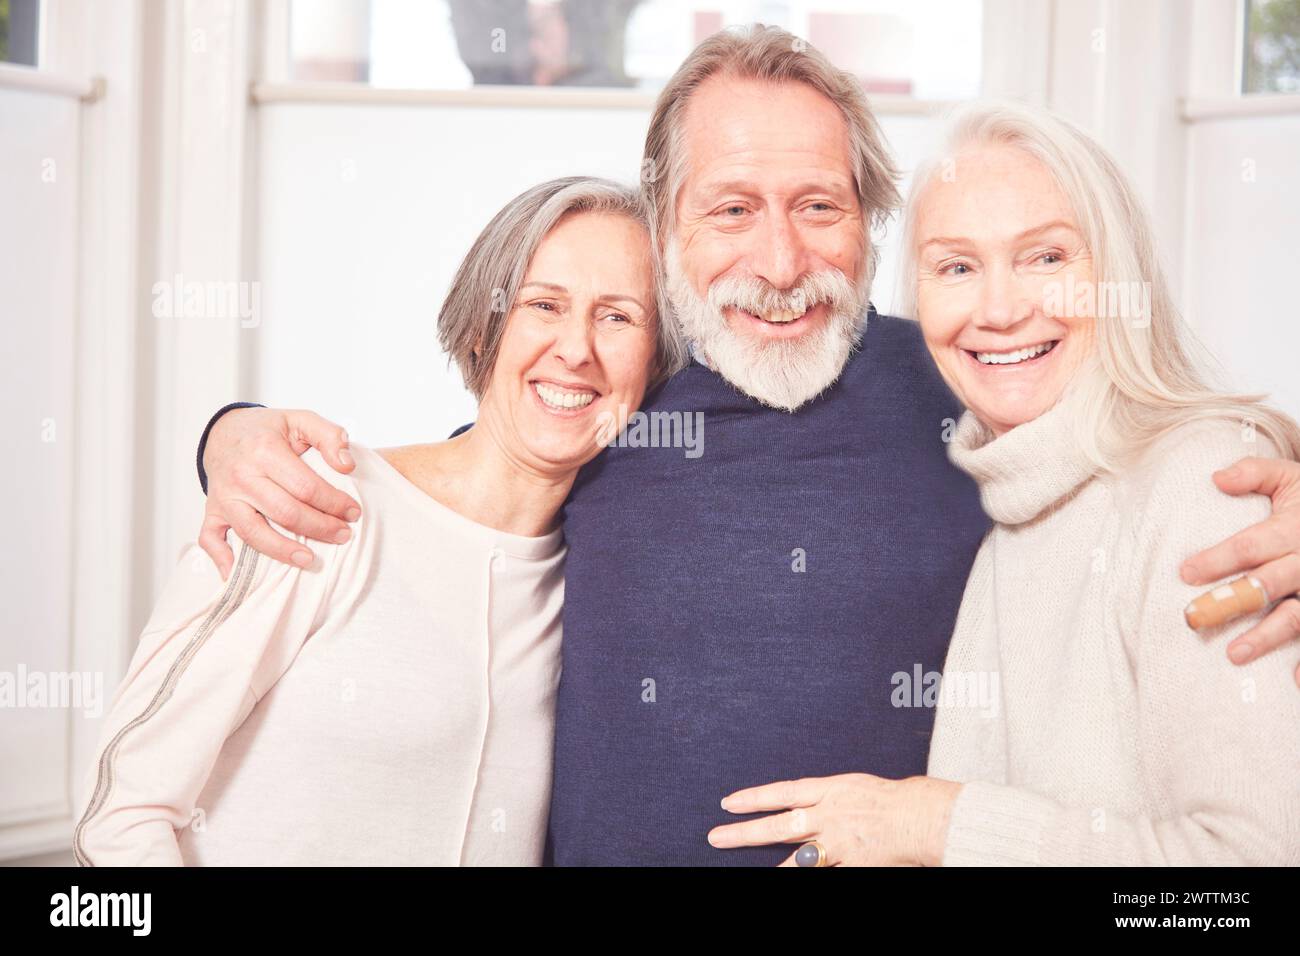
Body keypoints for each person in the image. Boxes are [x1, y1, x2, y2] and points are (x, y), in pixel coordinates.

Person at [192, 26, 1300, 866]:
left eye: (818, 205)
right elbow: (443, 500)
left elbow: (1143, 430)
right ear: (665, 225)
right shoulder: (607, 396)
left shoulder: (971, 388)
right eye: (730, 211)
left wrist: (1273, 474)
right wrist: (229, 436)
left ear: (869, 219)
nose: (778, 261)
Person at [708, 102, 1300, 866]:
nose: (999, 310)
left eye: (1046, 257)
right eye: (957, 267)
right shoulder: (1007, 497)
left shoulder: (1201, 486)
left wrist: (933, 825)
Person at [74, 177, 669, 865]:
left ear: (654, 366)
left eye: (618, 317)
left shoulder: (599, 574)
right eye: (543, 304)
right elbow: (119, 810)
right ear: (482, 327)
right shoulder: (312, 504)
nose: (576, 350)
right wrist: (227, 429)